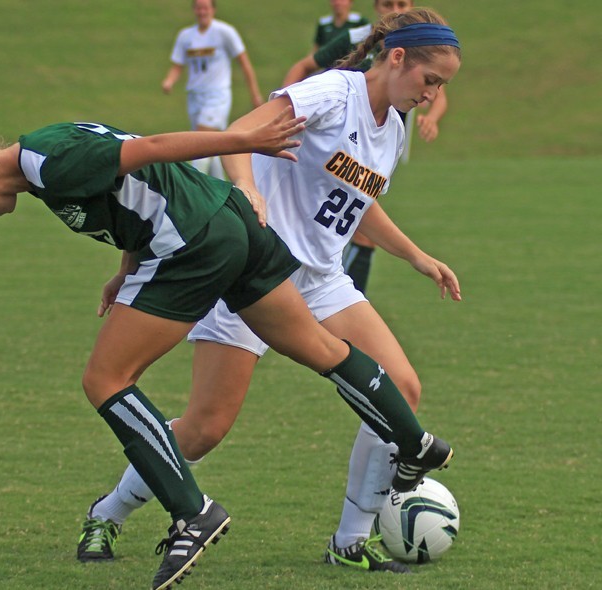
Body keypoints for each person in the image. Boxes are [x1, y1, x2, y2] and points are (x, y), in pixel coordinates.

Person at [0, 109, 453, 588]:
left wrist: (242, 140)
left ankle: (191, 512)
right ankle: (413, 439)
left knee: (104, 379)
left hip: (195, 244)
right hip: (227, 223)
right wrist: (126, 266)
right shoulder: (46, 156)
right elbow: (138, 192)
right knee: (318, 346)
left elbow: (154, 148)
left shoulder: (49, 163)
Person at [78, 8, 462, 576]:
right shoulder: (334, 92)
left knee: (400, 389)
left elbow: (355, 203)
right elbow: (241, 135)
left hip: (322, 279)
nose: (433, 95)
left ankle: (351, 540)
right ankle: (107, 513)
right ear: (397, 57)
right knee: (206, 428)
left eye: (443, 87)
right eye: (432, 80)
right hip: (250, 272)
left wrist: (416, 256)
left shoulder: (394, 126)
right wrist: (247, 189)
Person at [284, 0, 448, 294]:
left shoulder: (423, 53)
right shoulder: (347, 69)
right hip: (338, 146)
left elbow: (440, 95)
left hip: (378, 149)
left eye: (402, 3)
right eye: (387, 4)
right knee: (345, 228)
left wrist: (432, 119)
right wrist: (287, 109)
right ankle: (333, 292)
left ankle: (340, 293)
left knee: (358, 227)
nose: (395, 9)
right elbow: (305, 66)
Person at [162, 0, 264, 179]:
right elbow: (177, 64)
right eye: (199, 8)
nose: (202, 12)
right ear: (194, 10)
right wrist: (169, 81)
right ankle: (221, 187)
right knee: (212, 146)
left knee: (201, 141)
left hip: (217, 96)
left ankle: (194, 187)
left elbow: (244, 63)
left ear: (213, 9)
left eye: (206, 8)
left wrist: (254, 94)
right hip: (194, 96)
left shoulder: (224, 32)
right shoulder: (186, 36)